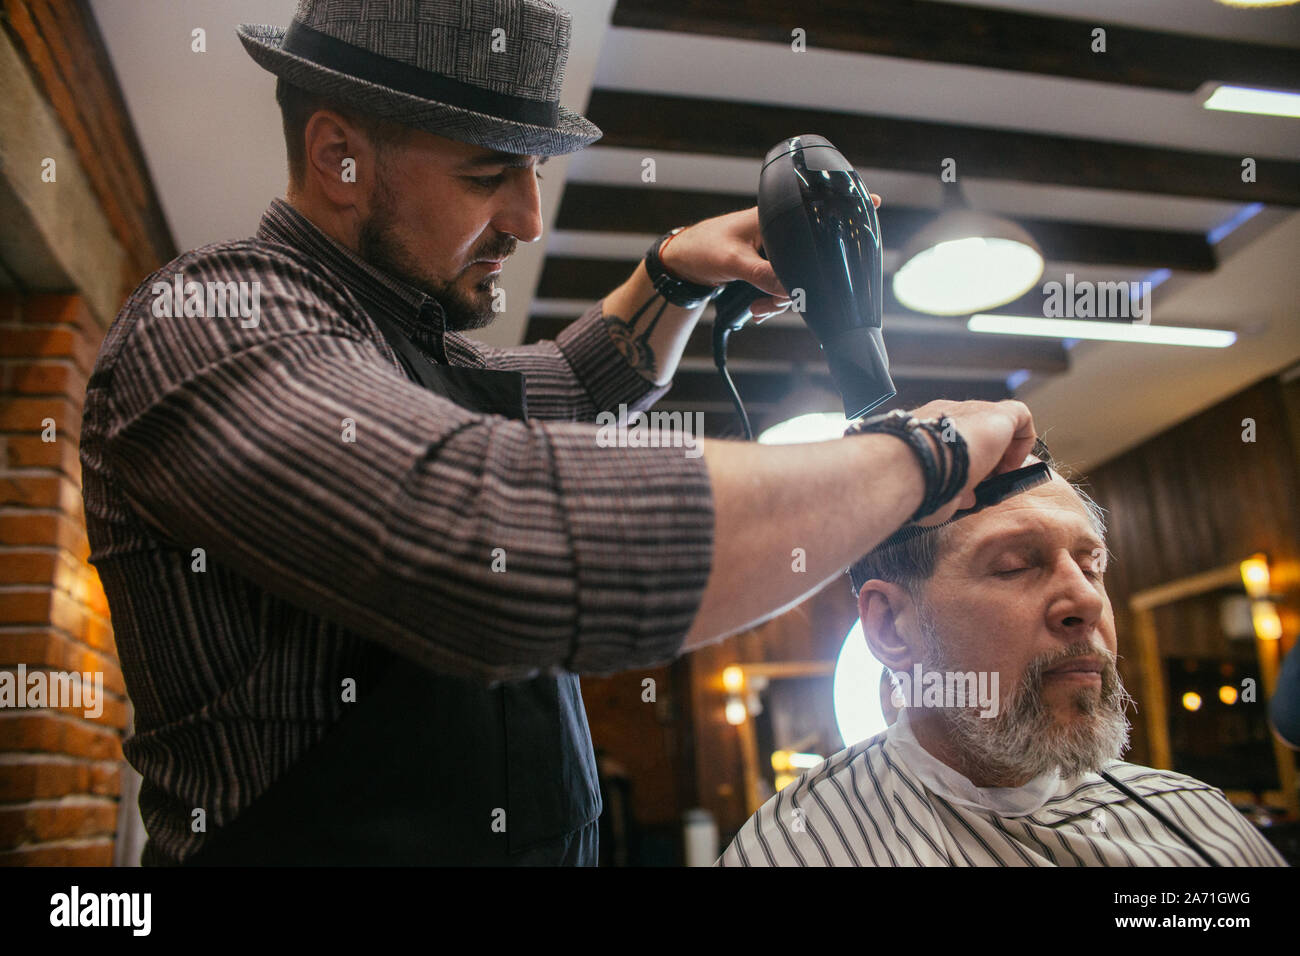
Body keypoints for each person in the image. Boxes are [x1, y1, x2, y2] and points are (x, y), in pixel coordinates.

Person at [80, 0, 1035, 865]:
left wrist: (674, 273)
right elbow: (501, 537)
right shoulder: (210, 320)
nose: (529, 218)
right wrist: (920, 455)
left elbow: (576, 381)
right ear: (339, 156)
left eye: (533, 173)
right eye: (489, 174)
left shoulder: (407, 349)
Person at [718, 444, 1288, 866]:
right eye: (1016, 565)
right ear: (891, 625)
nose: (1085, 600)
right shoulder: (795, 849)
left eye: (1091, 567)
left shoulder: (1196, 826)